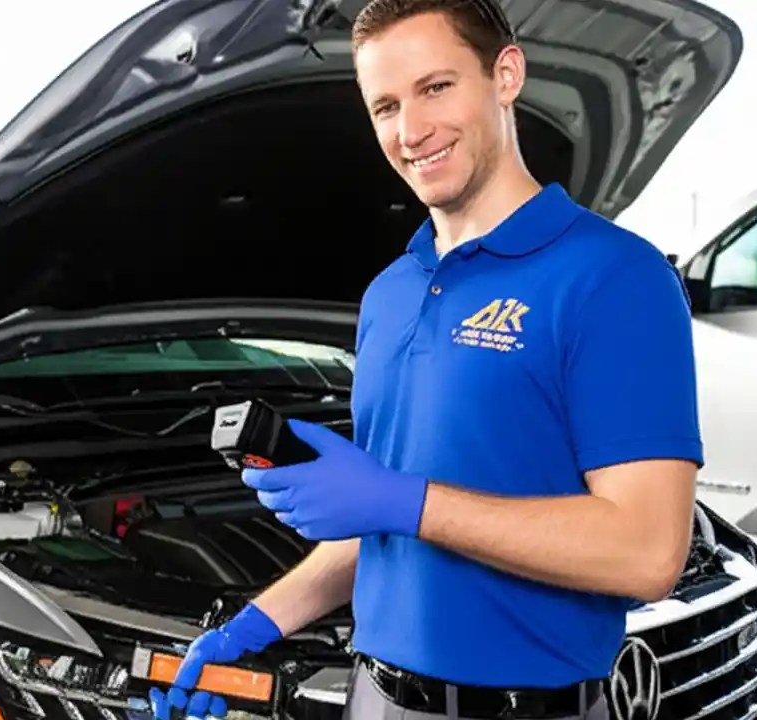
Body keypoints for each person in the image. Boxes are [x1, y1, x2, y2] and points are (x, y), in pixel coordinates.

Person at [149, 0, 703, 717]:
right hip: (373, 698)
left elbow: (648, 553)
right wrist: (258, 623)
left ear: (506, 75)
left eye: (436, 88)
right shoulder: (389, 293)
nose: (411, 132)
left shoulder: (614, 279)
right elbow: (399, 531)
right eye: (385, 105)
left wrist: (400, 500)